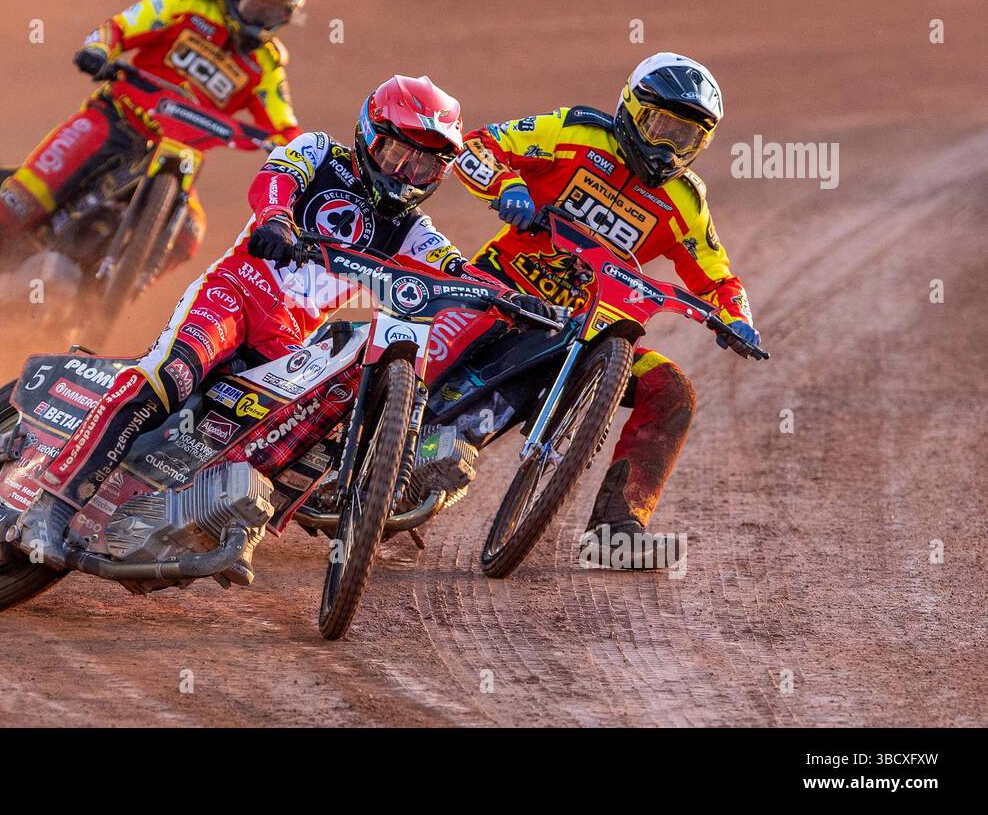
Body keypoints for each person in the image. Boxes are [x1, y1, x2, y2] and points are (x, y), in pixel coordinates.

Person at [37, 74, 548, 505]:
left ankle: (210, 510)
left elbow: (454, 269)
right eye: (396, 154)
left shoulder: (414, 229)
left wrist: (509, 300)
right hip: (238, 291)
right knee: (169, 375)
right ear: (370, 133)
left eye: (424, 165)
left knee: (314, 432)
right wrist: (277, 221)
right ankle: (53, 501)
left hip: (289, 337)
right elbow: (275, 179)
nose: (405, 174)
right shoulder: (319, 151)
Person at [451, 52, 761, 567]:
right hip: (503, 288)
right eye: (660, 127)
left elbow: (717, 277)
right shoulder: (575, 131)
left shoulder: (686, 202)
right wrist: (508, 187)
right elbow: (479, 146)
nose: (668, 149)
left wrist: (738, 318)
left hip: (589, 329)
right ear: (630, 109)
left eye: (685, 139)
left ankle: (617, 532)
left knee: (673, 390)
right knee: (425, 347)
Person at [0, 0, 311, 267]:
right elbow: (123, 26)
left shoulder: (266, 65)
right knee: (21, 202)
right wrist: (98, 49)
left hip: (178, 157)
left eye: (277, 12)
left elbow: (285, 127)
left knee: (189, 231)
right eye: (257, 5)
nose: (263, 19)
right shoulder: (190, 5)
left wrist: (305, 160)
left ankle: (101, 298)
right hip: (115, 120)